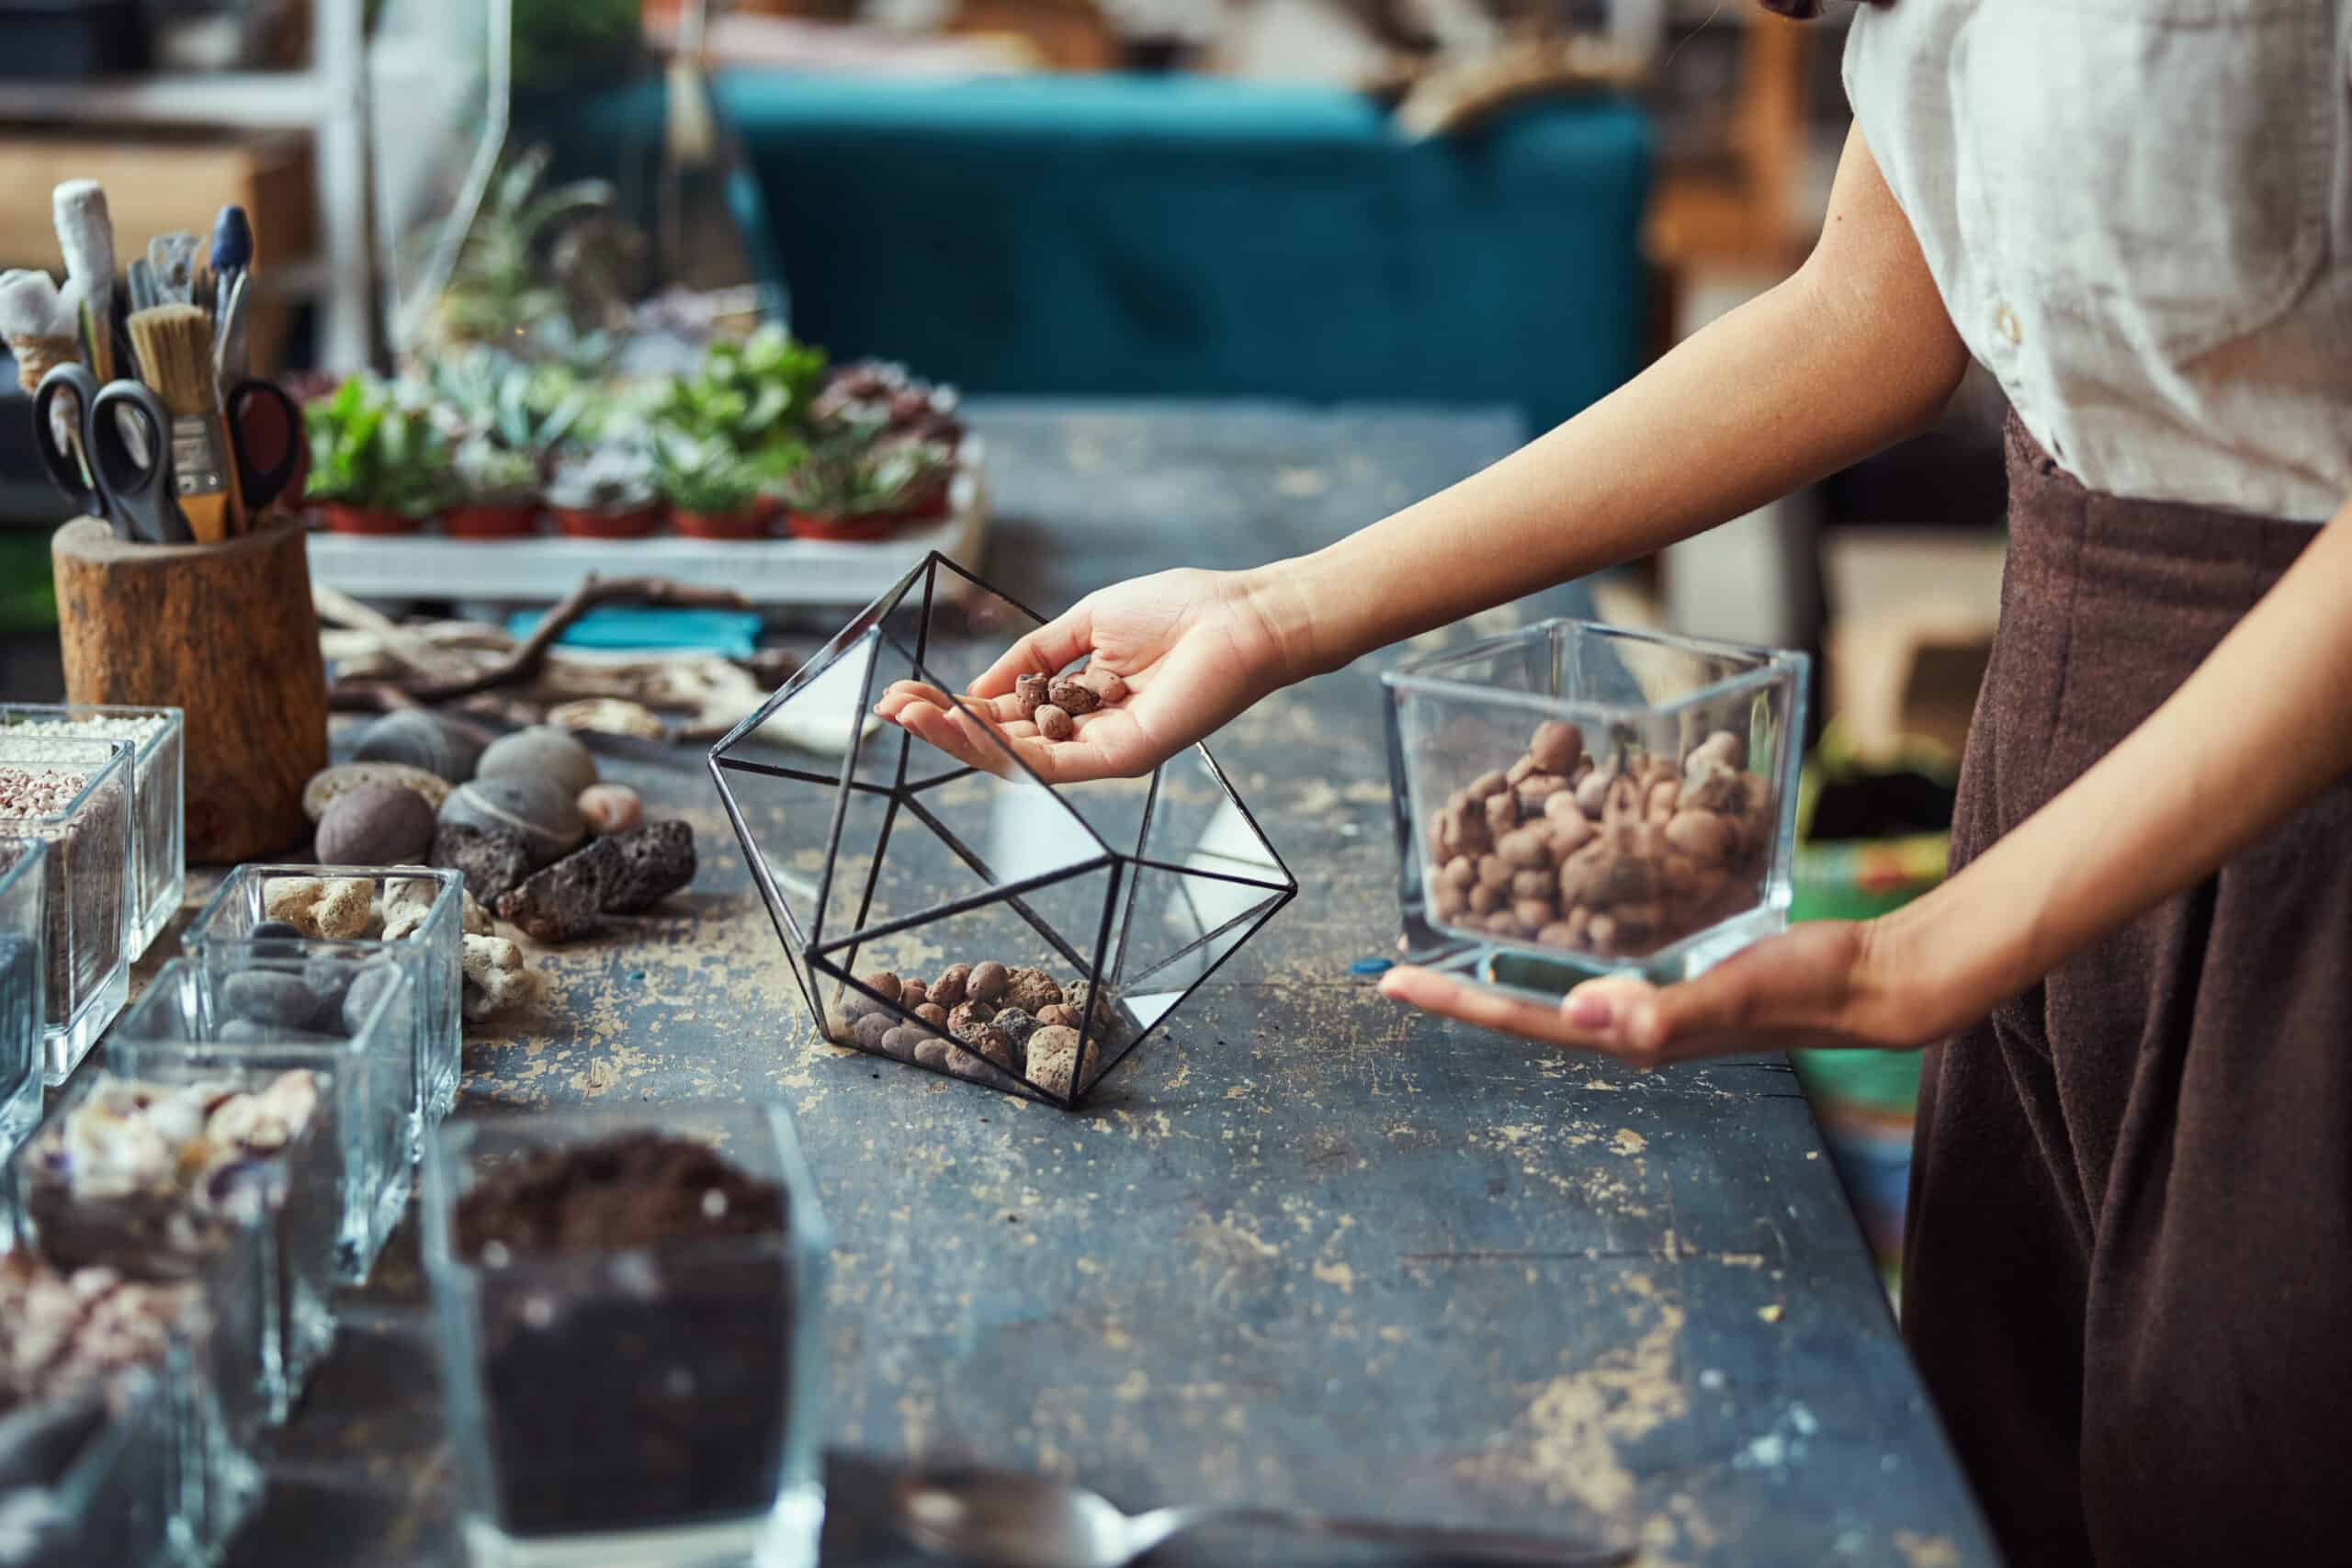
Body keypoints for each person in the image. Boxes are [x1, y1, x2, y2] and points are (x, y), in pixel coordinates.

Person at [877, 3, 2352, 1562]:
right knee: (2025, 1457)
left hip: (2296, 790)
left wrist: (1918, 951)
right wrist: (1276, 612)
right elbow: (1867, 318)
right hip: (2055, 759)